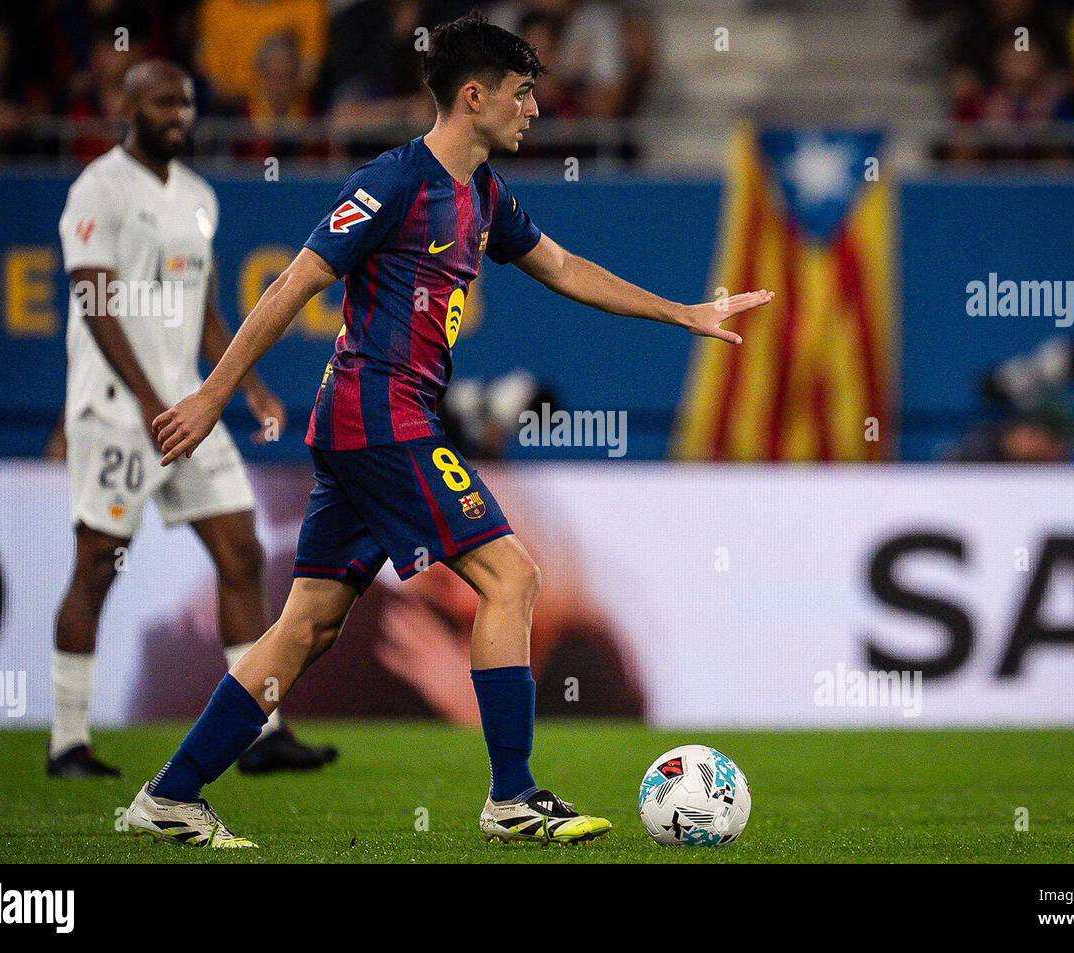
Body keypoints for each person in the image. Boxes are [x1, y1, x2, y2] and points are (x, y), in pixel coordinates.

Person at [120, 11, 771, 848]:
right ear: (475, 96)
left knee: (309, 622)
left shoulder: (486, 195)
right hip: (377, 413)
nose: (535, 111)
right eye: (522, 93)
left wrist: (682, 312)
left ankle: (169, 794)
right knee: (512, 578)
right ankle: (511, 795)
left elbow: (564, 266)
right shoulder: (394, 182)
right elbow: (292, 284)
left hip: (379, 421)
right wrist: (214, 395)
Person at [51, 59, 336, 778]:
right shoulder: (99, 188)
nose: (177, 112)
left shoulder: (200, 196)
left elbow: (201, 306)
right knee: (96, 567)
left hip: (188, 408)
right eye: (160, 101)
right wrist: (150, 401)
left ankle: (259, 732)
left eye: (184, 101)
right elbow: (93, 302)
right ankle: (68, 741)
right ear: (127, 105)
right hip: (120, 412)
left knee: (241, 551)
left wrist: (249, 387)